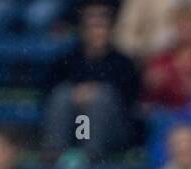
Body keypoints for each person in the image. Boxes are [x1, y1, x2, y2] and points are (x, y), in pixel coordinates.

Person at [42, 2, 141, 160]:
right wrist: (76, 94)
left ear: (110, 30)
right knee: (62, 94)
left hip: (111, 131)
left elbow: (129, 102)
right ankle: (54, 153)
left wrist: (95, 93)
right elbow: (47, 91)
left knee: (101, 98)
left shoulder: (123, 63)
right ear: (83, 31)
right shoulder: (67, 59)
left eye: (101, 27)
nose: (97, 32)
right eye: (92, 27)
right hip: (76, 127)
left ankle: (91, 156)